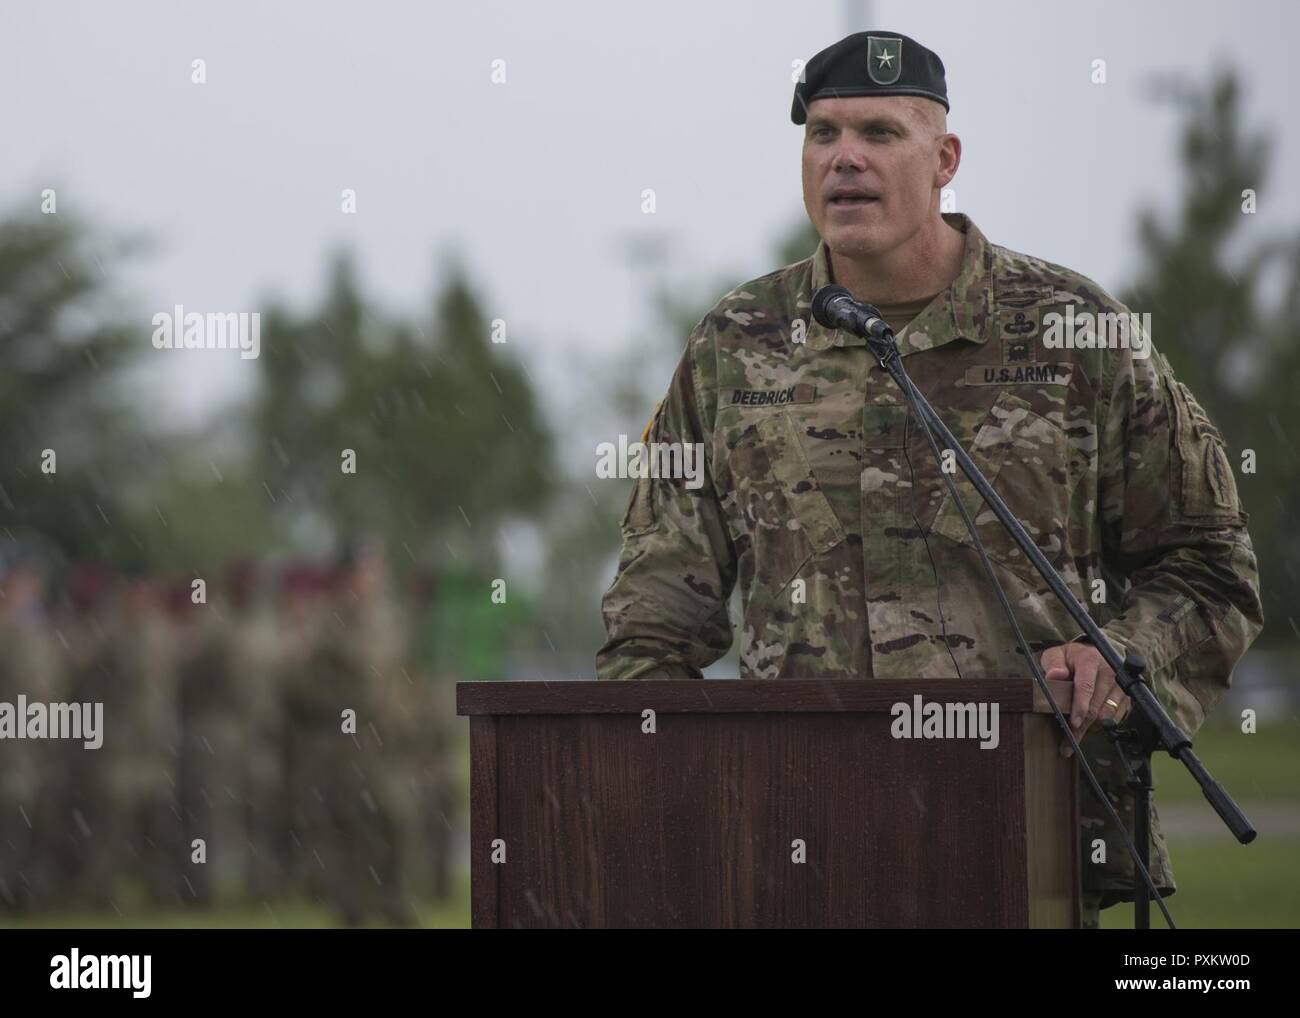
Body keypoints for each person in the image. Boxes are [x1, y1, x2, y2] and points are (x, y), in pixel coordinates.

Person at [595, 31, 1263, 928]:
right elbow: (651, 625)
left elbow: (1210, 568)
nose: (845, 160)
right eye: (822, 135)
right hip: (799, 852)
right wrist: (684, 799)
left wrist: (1118, 658)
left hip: (1026, 841)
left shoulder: (1074, 334)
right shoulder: (734, 344)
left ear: (945, 159)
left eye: (878, 132)